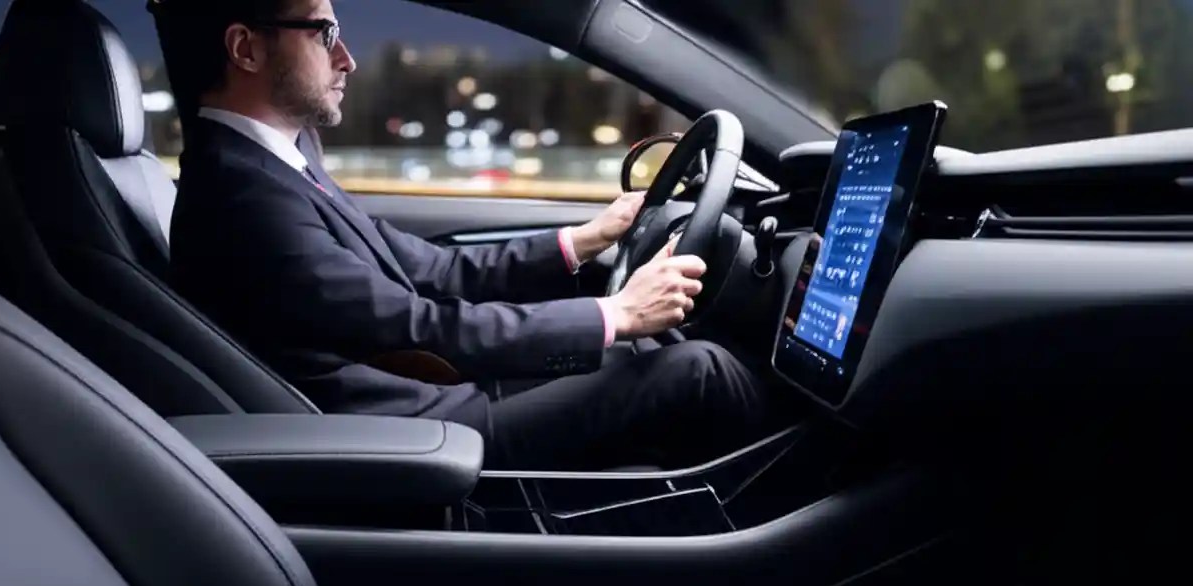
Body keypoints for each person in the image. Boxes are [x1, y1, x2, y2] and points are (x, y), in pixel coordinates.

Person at [165, 0, 775, 469]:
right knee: (698, 372)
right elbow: (419, 326)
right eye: (323, 33)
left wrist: (585, 239)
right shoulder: (240, 197)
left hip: (427, 397)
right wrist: (615, 315)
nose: (345, 56)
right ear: (246, 48)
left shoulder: (277, 162)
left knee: (646, 353)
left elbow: (432, 270)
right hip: (419, 435)